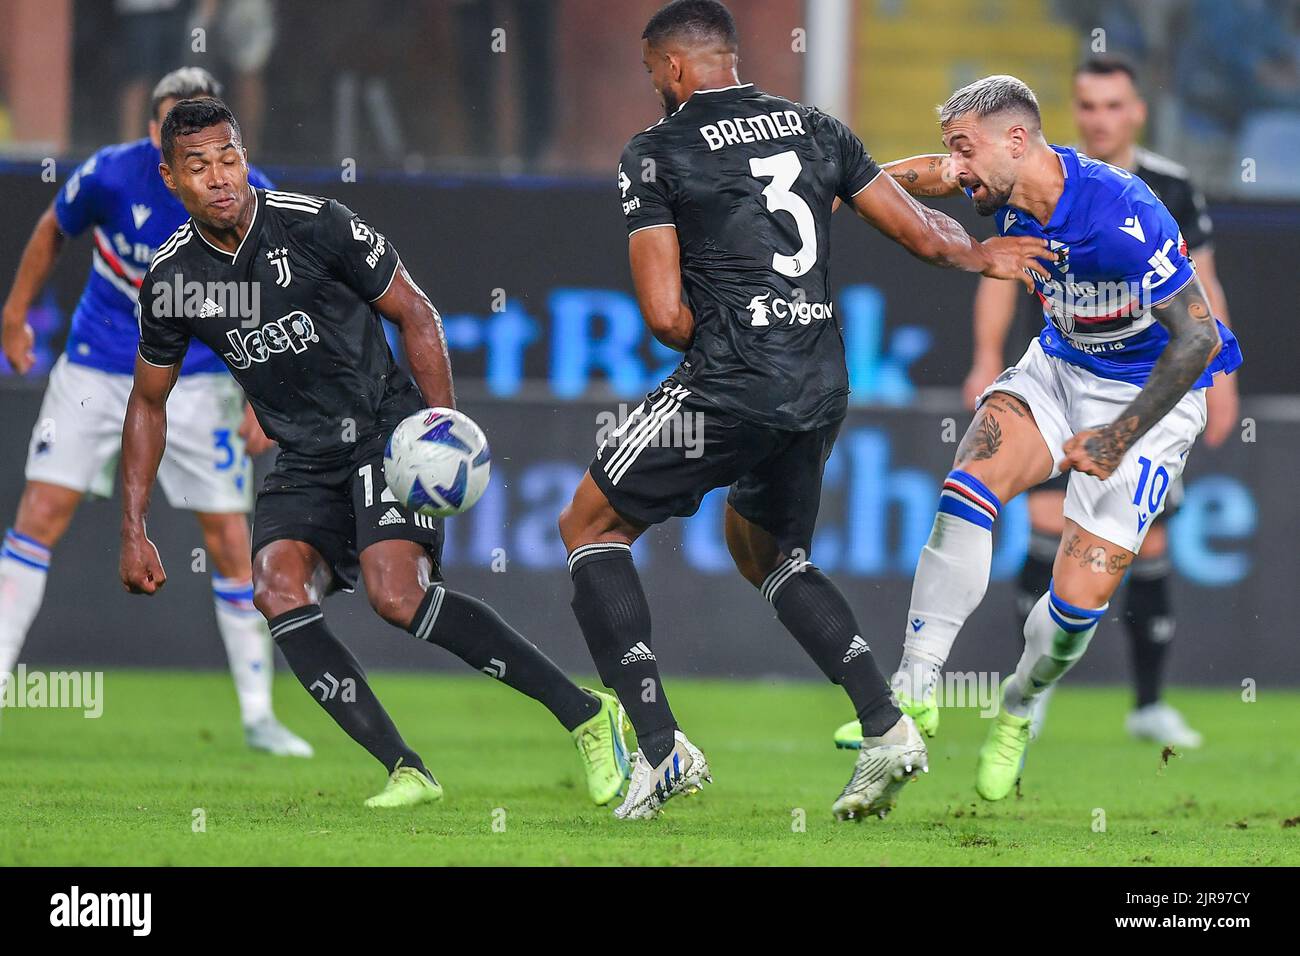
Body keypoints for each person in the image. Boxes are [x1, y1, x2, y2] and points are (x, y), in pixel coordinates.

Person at [556, 0, 1052, 821]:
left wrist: (716, 337)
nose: (653, 87)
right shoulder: (815, 127)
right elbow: (922, 232)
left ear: (675, 68)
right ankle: (886, 726)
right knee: (765, 550)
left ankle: (659, 747)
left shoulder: (656, 150)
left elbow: (664, 315)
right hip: (818, 383)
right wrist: (979, 253)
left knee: (588, 525)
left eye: (652, 73)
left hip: (729, 381)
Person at [120, 98, 631, 808]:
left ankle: (587, 714)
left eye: (229, 157)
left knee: (398, 595)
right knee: (273, 587)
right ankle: (405, 768)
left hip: (383, 435)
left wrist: (440, 427)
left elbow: (414, 311)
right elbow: (148, 401)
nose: (219, 177)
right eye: (199, 166)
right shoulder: (173, 282)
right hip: (302, 458)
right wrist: (135, 525)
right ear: (171, 179)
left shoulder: (314, 223)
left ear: (244, 156)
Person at [832, 56, 1238, 752]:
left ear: (1016, 142)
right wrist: (856, 186)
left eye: (968, 148)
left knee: (1077, 603)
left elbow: (1197, 337)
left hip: (1148, 399)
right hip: (1057, 367)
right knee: (969, 481)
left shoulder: (1122, 215)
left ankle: (1020, 704)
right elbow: (934, 171)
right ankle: (913, 690)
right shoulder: (1006, 183)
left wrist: (1117, 435)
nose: (958, 169)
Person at [0, 67, 310, 757]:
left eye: (212, 133)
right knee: (39, 514)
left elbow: (272, 301)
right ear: (153, 136)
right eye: (179, 129)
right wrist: (16, 313)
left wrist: (267, 398)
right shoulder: (111, 176)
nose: (199, 148)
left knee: (231, 541)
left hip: (199, 382)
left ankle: (259, 715)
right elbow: (54, 228)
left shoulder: (248, 198)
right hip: (97, 367)